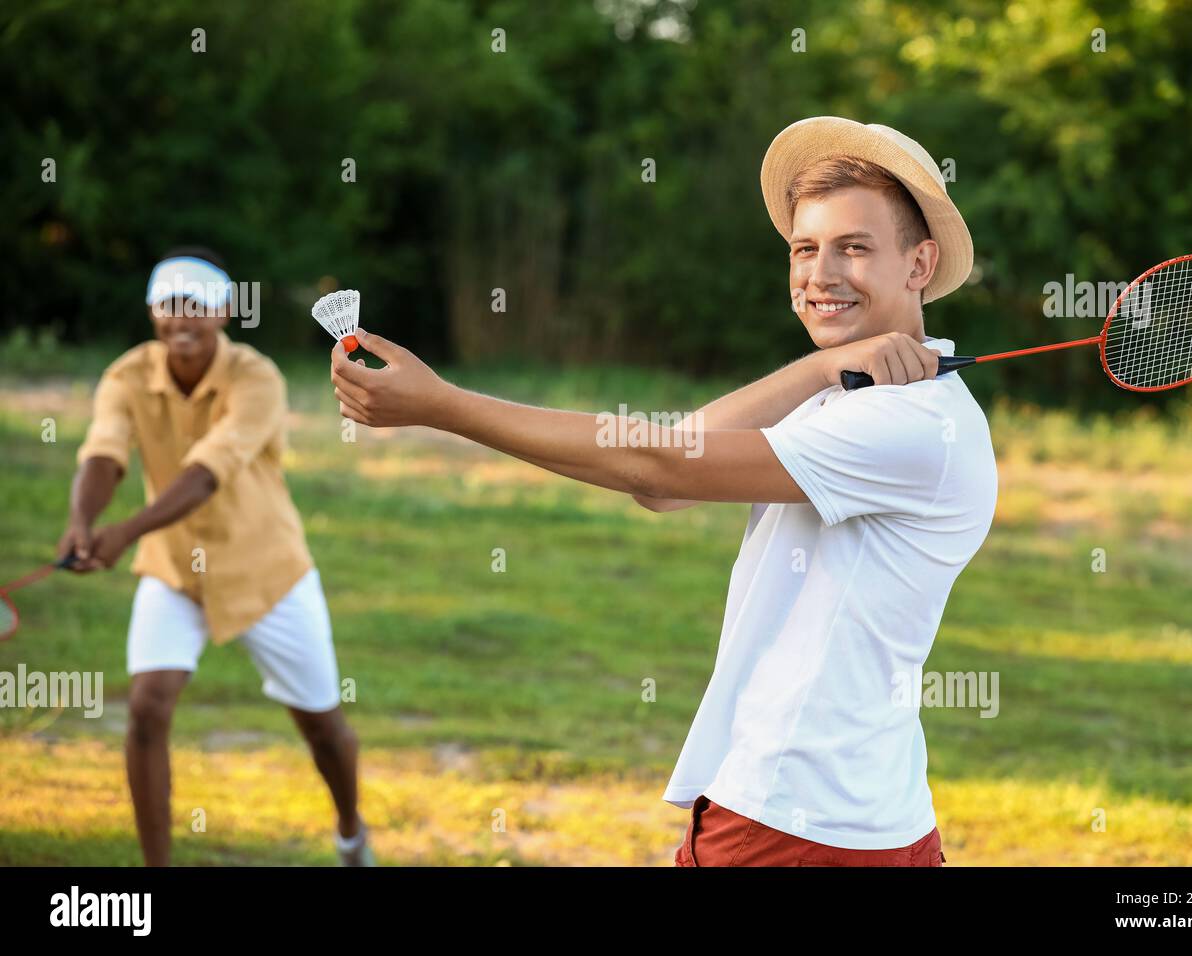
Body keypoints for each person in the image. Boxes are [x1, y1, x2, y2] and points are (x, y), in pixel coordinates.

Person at [327, 117, 997, 866]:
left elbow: (659, 467)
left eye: (855, 247)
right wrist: (817, 370)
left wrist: (443, 406)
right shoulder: (856, 390)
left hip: (793, 819)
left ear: (919, 263)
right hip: (873, 820)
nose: (820, 274)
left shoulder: (908, 422)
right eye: (805, 248)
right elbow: (670, 487)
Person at [61, 247, 372, 866]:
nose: (182, 319)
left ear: (225, 311)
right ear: (151, 311)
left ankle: (350, 833)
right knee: (147, 708)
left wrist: (125, 532)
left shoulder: (258, 378)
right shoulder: (126, 377)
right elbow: (103, 453)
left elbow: (207, 472)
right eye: (169, 305)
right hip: (175, 571)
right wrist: (81, 522)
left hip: (269, 574)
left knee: (322, 726)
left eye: (197, 307)